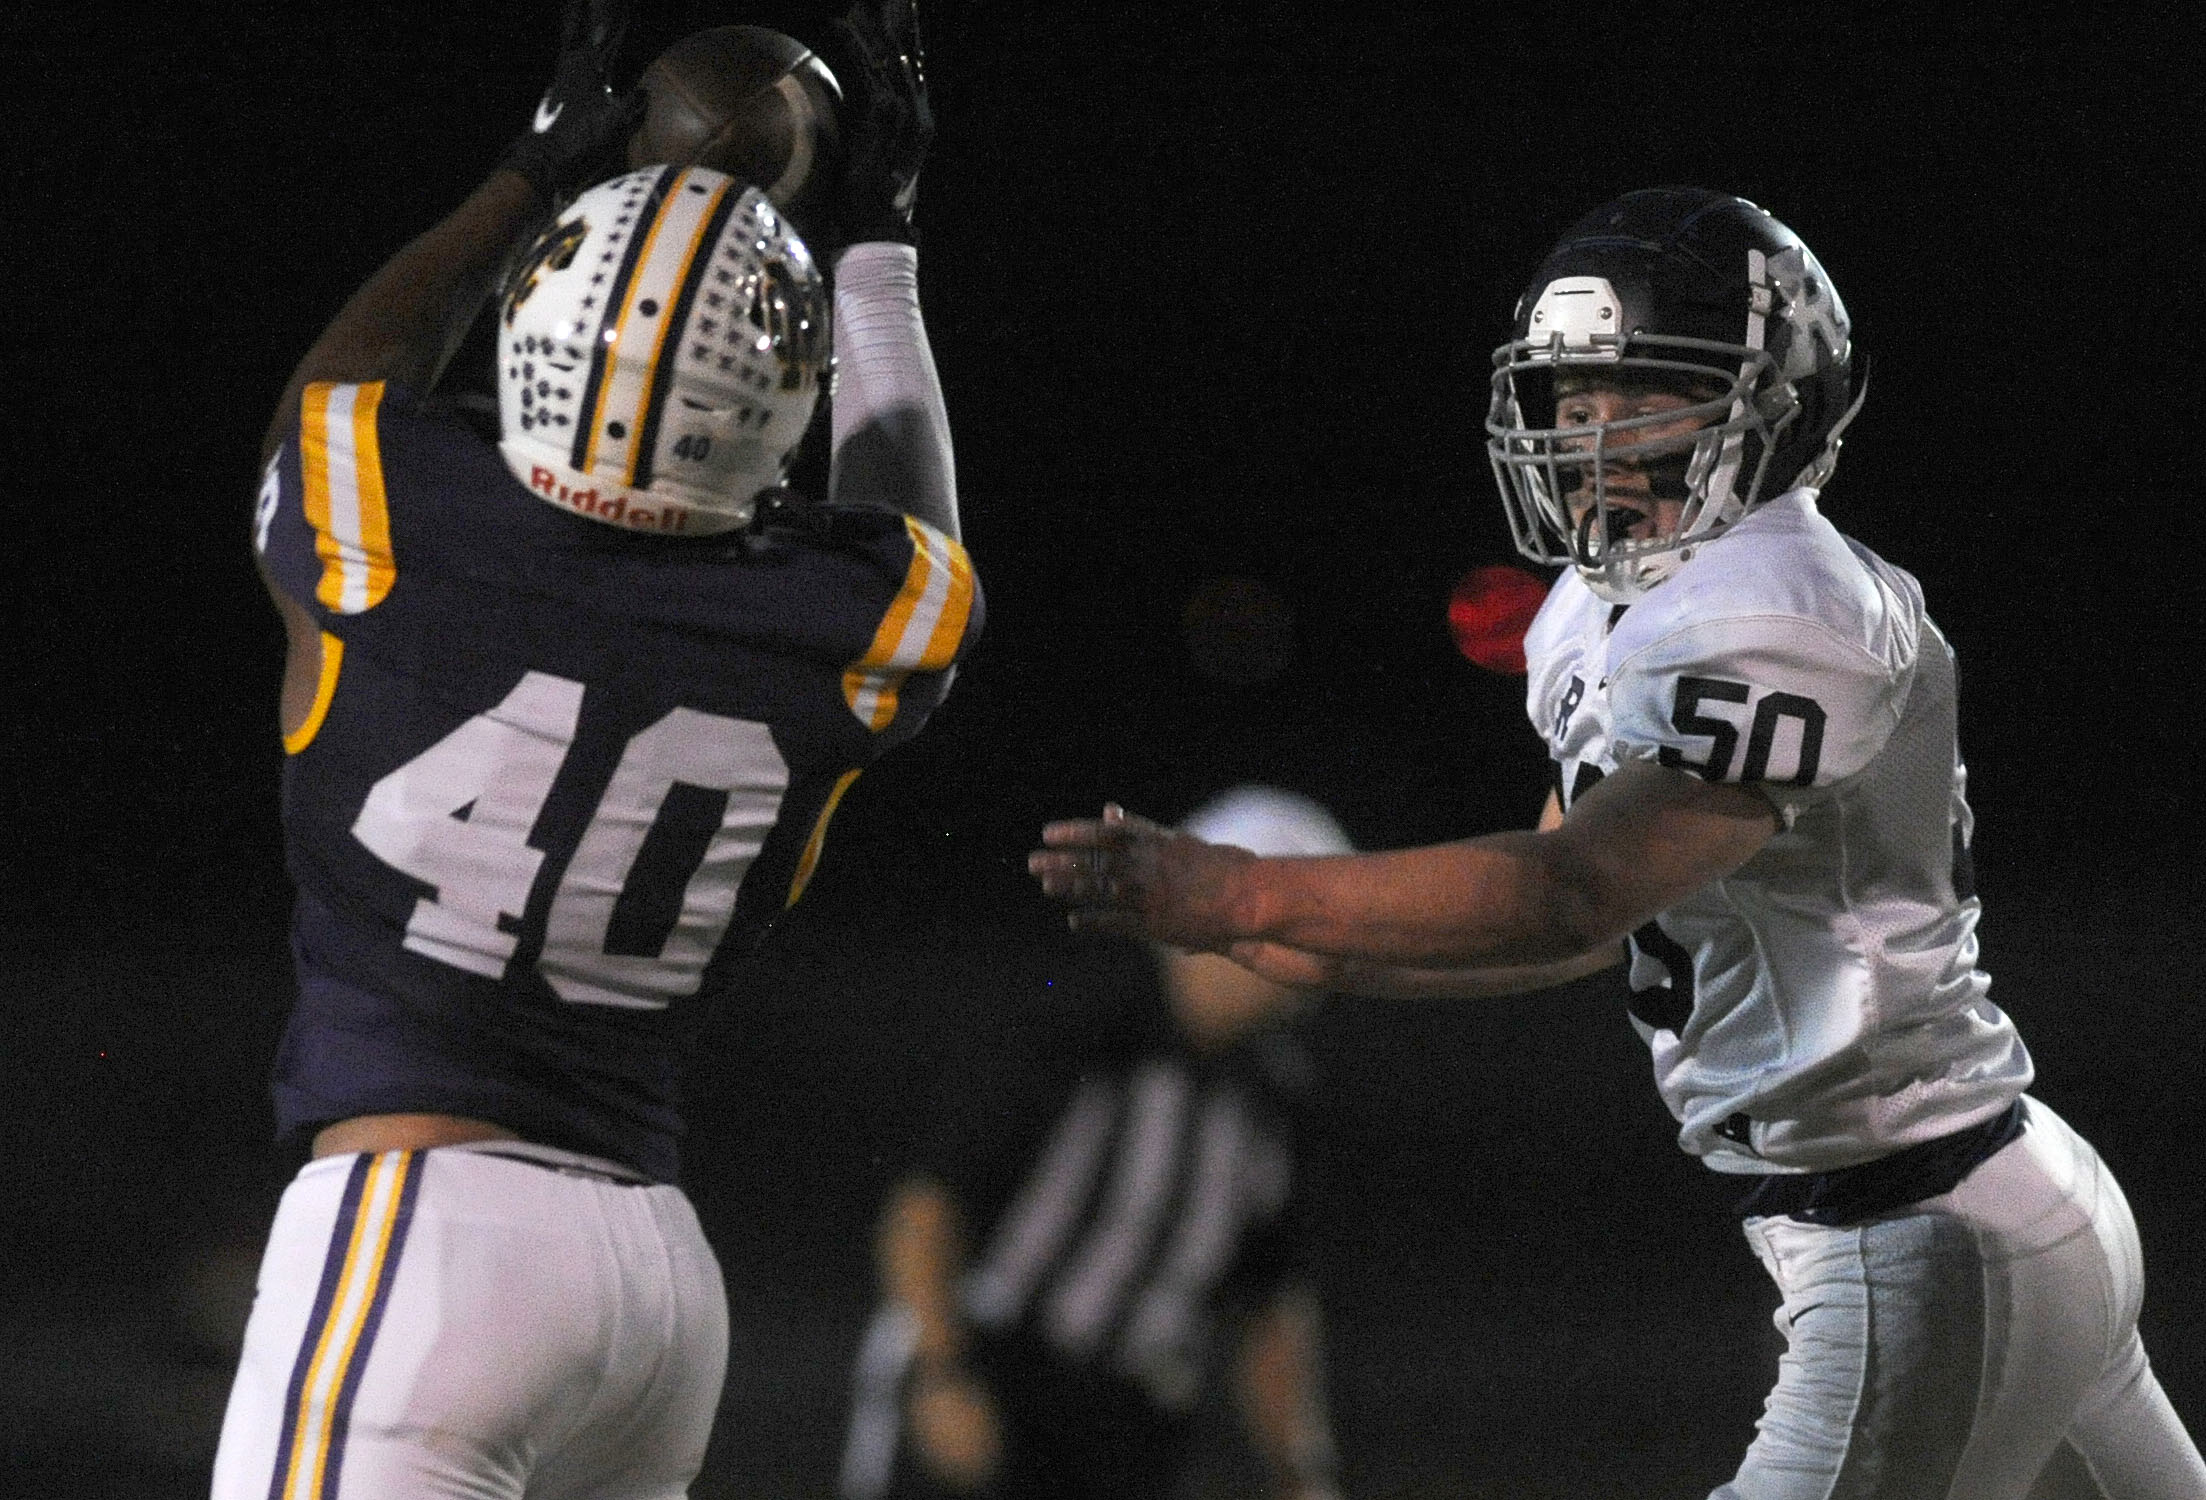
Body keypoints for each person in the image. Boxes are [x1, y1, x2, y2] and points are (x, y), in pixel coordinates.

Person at [1030, 189, 2204, 1498]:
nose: (1593, 437)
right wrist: (1331, 955)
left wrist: (1252, 895)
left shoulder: (1782, 603)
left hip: (1917, 1231)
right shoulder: (1609, 607)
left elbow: (1569, 896)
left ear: (1774, 405)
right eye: (1572, 398)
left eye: (1640, 395)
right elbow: (1575, 924)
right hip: (1992, 1192)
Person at [211, 3, 976, 1496]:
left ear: (535, 323)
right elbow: (918, 540)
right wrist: (878, 244)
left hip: (421, 1230)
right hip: (652, 1278)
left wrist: (535, 165)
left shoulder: (396, 522)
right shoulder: (836, 620)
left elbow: (348, 375)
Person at [842, 787, 1351, 1500]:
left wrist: (1300, 1470)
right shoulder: (1072, 1029)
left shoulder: (1275, 1101)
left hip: (1133, 1421)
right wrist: (939, 1373)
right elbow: (926, 1207)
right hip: (992, 1373)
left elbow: (1271, 1301)